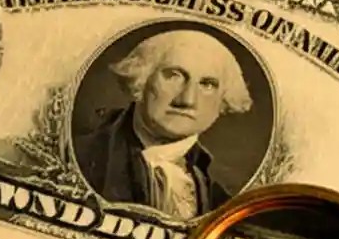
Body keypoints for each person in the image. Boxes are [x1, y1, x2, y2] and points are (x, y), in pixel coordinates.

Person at [73, 28, 254, 219]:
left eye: (207, 84)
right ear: (141, 80)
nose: (187, 100)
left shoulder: (223, 203)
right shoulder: (81, 158)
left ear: (223, 99)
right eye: (174, 76)